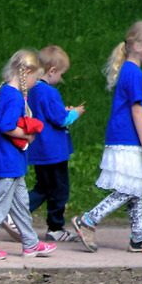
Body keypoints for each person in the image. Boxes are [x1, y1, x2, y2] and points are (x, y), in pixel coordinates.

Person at [71, 21, 142, 255]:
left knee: (135, 190)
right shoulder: (133, 73)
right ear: (136, 45)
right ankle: (87, 220)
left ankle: (139, 237)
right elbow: (137, 110)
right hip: (128, 140)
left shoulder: (132, 71)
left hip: (129, 139)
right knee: (127, 188)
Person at [0, 49, 56, 260]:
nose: (36, 82)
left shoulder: (2, 92)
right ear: (26, 72)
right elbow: (5, 125)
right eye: (35, 78)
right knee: (1, 204)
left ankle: (30, 243)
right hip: (7, 161)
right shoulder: (14, 97)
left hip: (11, 161)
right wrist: (26, 135)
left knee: (21, 204)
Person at [27, 45, 85, 242]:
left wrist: (62, 111)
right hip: (54, 150)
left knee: (42, 186)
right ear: (51, 71)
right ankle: (55, 227)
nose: (61, 79)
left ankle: (15, 212)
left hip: (38, 149)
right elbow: (61, 119)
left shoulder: (32, 90)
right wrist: (75, 112)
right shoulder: (50, 92)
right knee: (59, 189)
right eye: (61, 74)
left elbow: (49, 114)